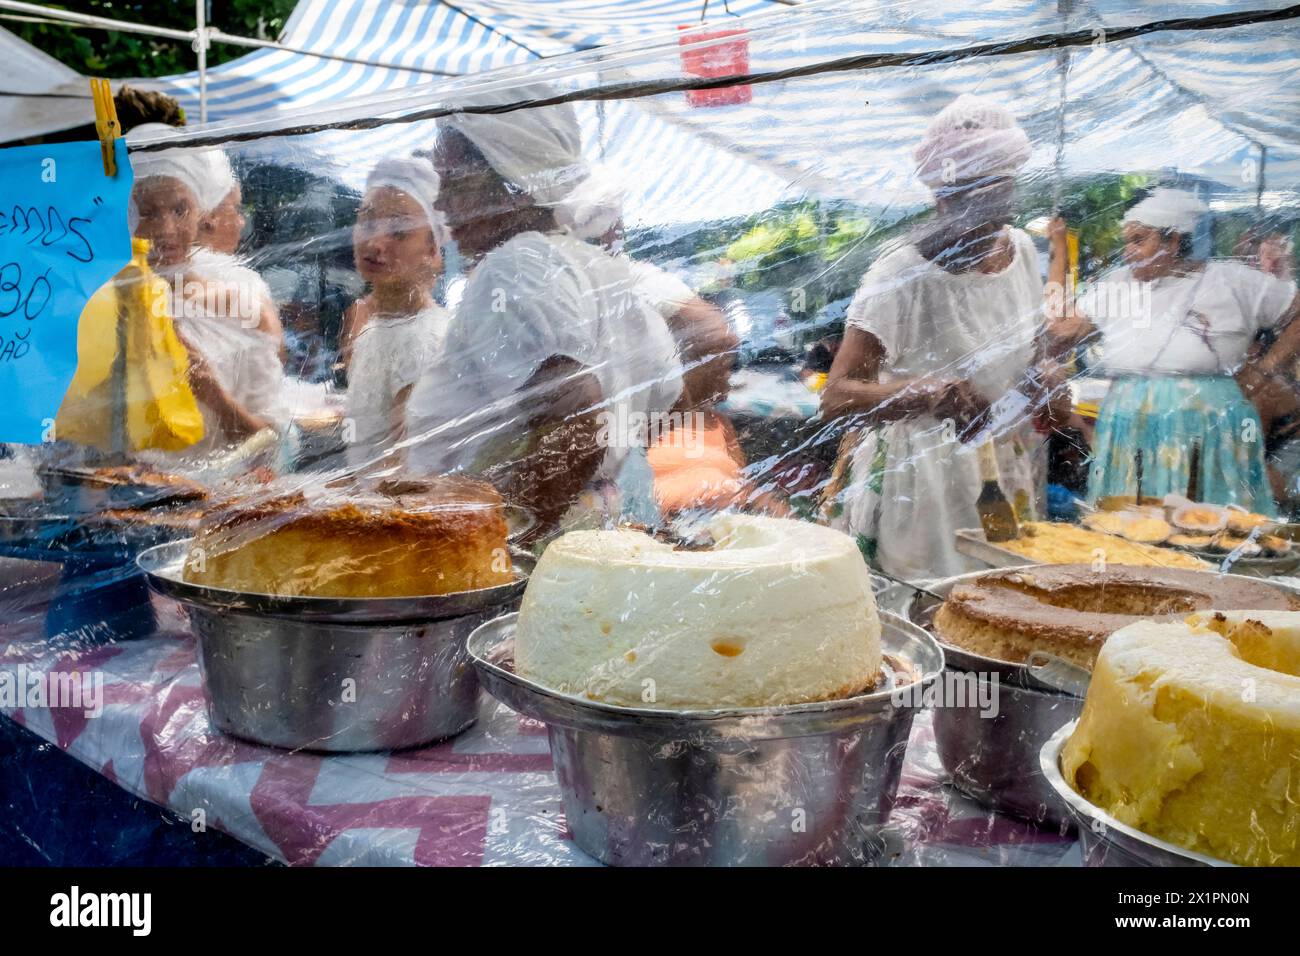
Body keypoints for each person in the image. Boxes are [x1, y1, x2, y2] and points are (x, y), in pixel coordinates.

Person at [405, 88, 683, 538]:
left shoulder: (515, 267)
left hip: (523, 542)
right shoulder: (597, 266)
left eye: (454, 183)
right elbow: (662, 391)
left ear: (512, 183)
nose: (441, 205)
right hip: (583, 526)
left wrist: (509, 539)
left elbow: (575, 415)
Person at [820, 94, 1053, 580]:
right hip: (921, 475)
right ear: (942, 195)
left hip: (999, 460)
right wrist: (925, 391)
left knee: (1000, 596)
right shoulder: (901, 272)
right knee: (928, 603)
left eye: (1001, 197)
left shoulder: (1023, 251)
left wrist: (1044, 379)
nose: (990, 219)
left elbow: (1031, 350)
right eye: (972, 199)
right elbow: (837, 397)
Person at [1047, 188, 1300, 514]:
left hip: (1209, 425)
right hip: (1130, 424)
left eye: (1139, 241)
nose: (1128, 252)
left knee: (1209, 523)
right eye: (1127, 241)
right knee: (1131, 521)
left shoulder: (1233, 281)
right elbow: (1058, 329)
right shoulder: (1117, 285)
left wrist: (1264, 371)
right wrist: (1058, 254)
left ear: (1174, 241)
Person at [126, 124, 285, 460]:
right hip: (124, 505)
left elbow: (272, 445)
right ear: (126, 216)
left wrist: (212, 394)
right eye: (148, 213)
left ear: (200, 213)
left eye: (179, 210)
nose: (166, 230)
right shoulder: (103, 312)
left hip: (214, 505)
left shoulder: (238, 308)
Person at [343, 157, 450, 469]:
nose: (375, 243)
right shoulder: (373, 331)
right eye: (368, 221)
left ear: (432, 250)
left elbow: (404, 474)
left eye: (399, 232)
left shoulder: (424, 341)